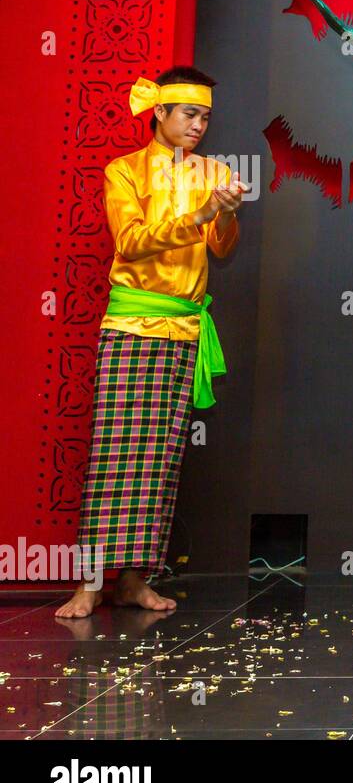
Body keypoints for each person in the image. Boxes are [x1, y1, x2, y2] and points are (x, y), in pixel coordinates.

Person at [55, 66, 244, 618]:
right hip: (133, 324)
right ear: (159, 112)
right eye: (190, 114)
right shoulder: (125, 171)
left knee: (158, 461)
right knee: (114, 454)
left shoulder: (214, 171)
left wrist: (226, 216)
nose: (199, 126)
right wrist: (203, 212)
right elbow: (132, 242)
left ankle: (135, 580)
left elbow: (223, 249)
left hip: (184, 328)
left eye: (206, 116)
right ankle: (89, 584)